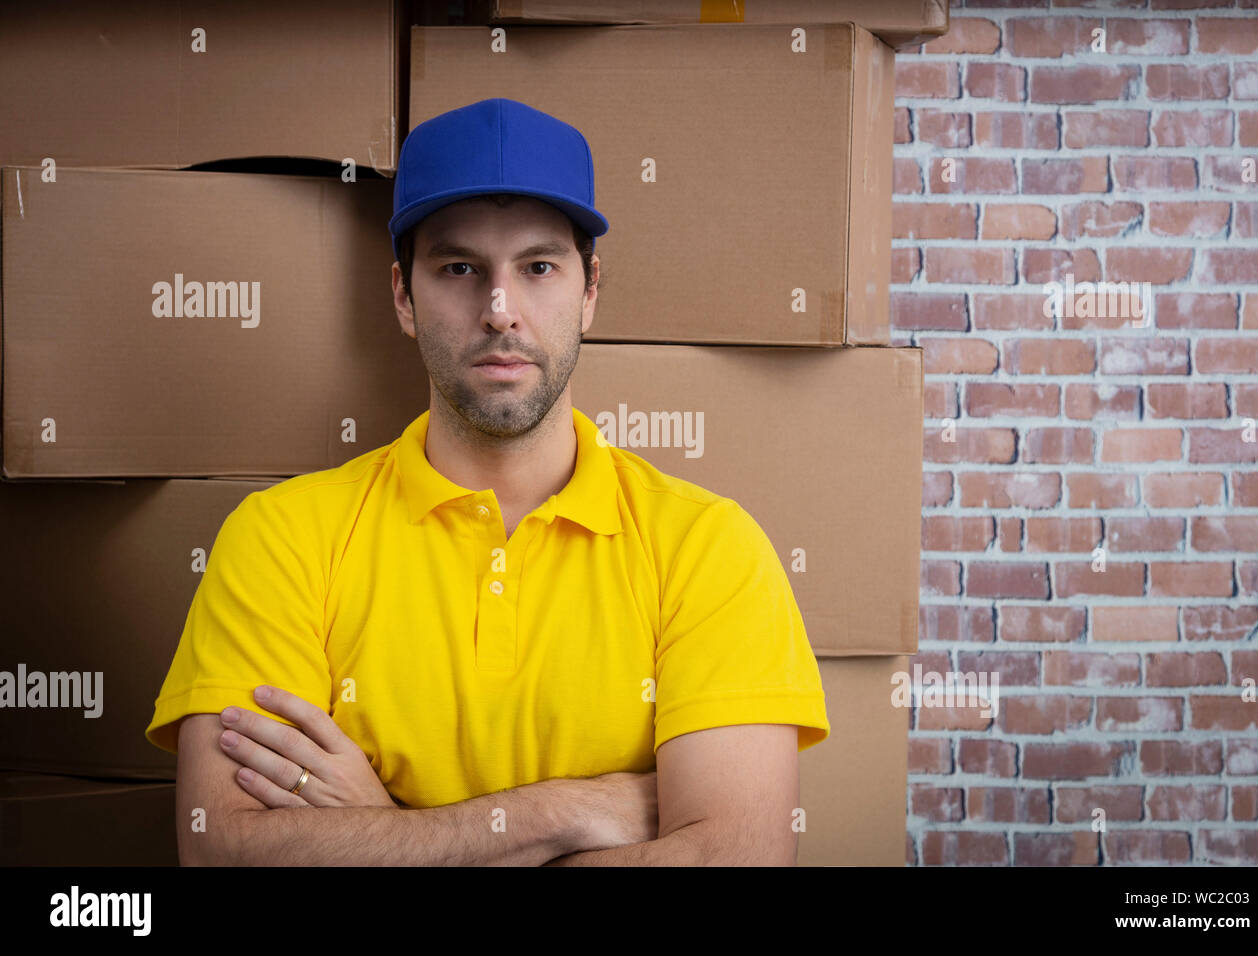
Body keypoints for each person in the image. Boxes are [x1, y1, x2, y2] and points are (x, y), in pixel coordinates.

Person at [145, 97, 829, 866]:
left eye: (538, 267)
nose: (501, 311)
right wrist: (567, 812)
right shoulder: (281, 540)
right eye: (459, 268)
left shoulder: (709, 551)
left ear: (590, 290)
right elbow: (225, 853)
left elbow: (735, 860)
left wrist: (383, 830)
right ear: (404, 296)